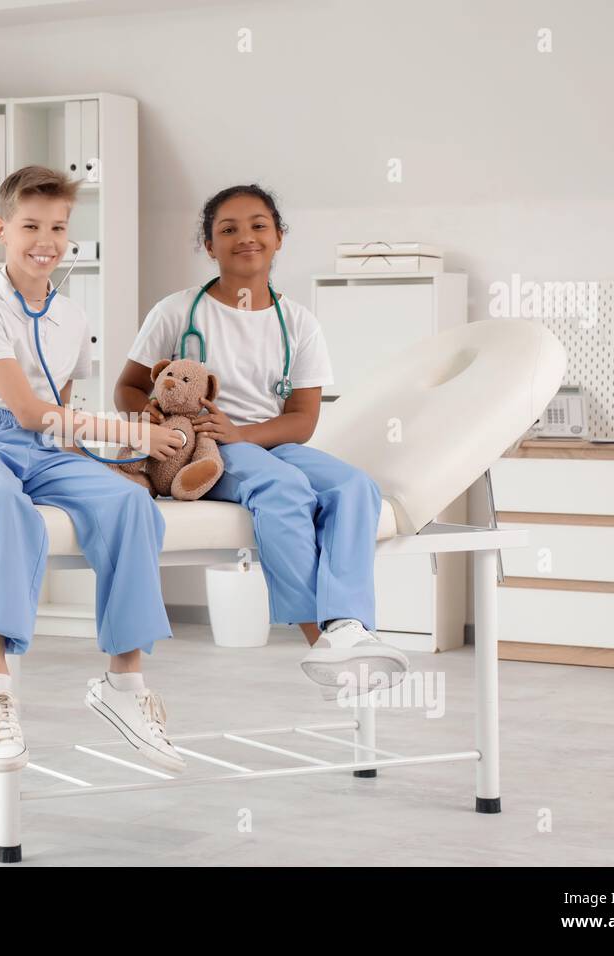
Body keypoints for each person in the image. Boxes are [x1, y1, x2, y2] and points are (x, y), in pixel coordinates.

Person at [0, 165, 190, 775]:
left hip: (46, 445)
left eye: (58, 227)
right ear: (2, 229)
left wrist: (98, 465)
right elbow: (22, 407)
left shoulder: (73, 317)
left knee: (127, 505)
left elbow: (60, 413)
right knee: (1, 505)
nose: (46, 240)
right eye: (31, 225)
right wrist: (133, 433)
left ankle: (124, 687)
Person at [114, 184, 411, 699]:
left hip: (267, 439)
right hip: (209, 448)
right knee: (283, 489)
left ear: (278, 238)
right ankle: (321, 637)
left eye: (258, 226)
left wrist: (245, 432)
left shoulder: (298, 323)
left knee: (356, 487)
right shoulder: (177, 312)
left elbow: (302, 419)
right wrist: (156, 428)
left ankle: (348, 628)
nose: (244, 237)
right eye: (227, 229)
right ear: (209, 245)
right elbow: (128, 385)